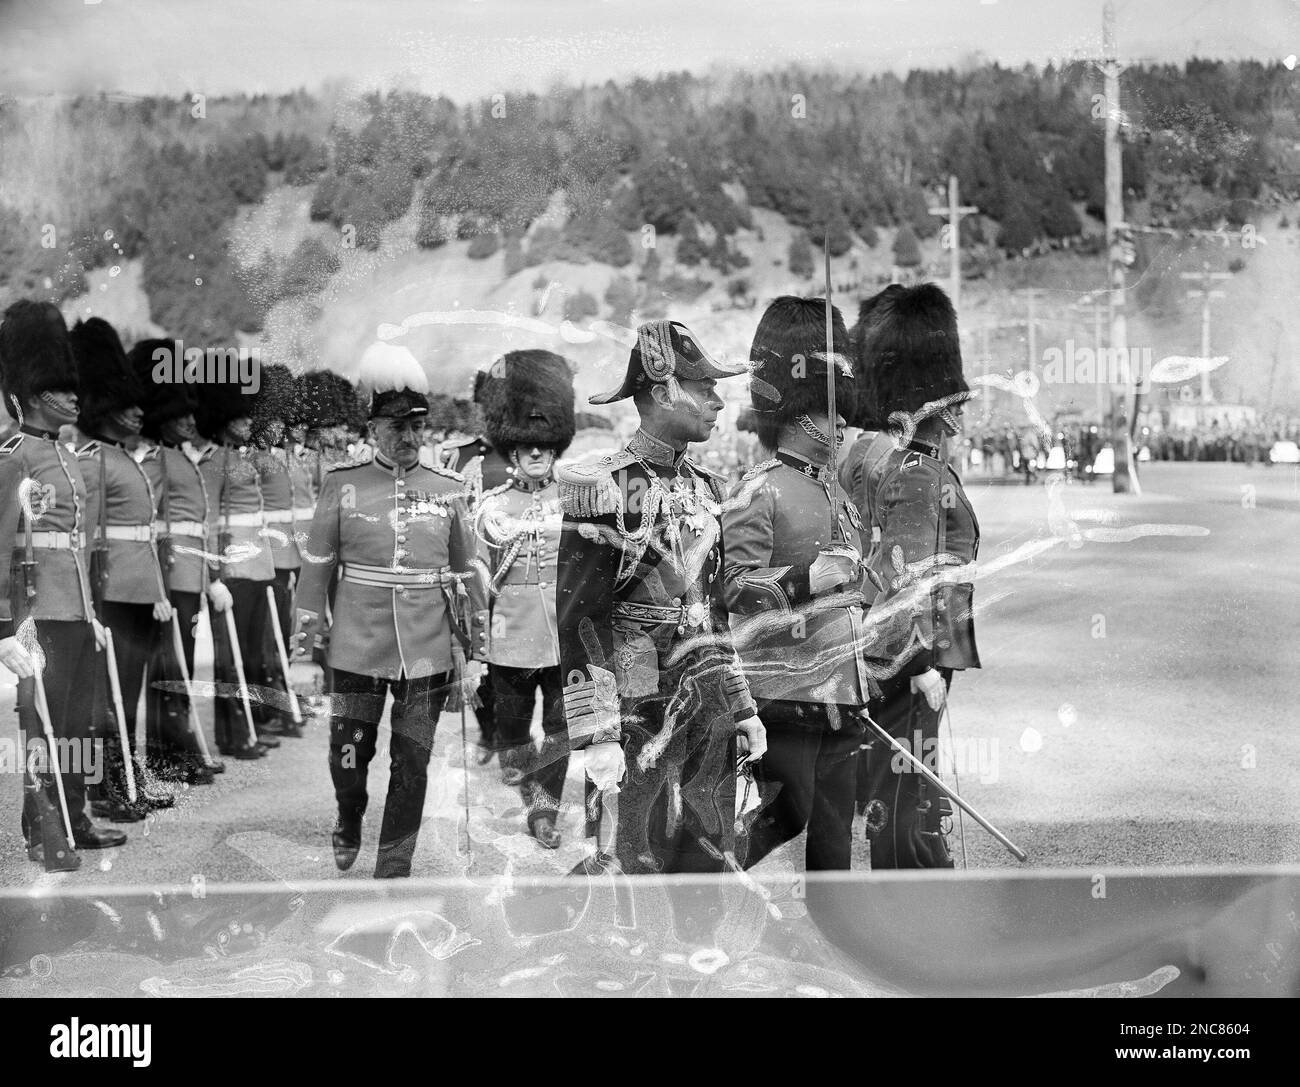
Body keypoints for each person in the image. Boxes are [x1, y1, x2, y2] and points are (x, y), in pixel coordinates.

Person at [555, 319, 766, 875]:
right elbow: (581, 620)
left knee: (707, 850)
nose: (718, 402)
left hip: (707, 703)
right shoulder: (601, 488)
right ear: (660, 391)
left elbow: (713, 610)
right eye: (703, 388)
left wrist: (742, 706)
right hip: (634, 704)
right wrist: (597, 733)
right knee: (630, 858)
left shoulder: (707, 488)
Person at [290, 343, 488, 879]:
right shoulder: (342, 484)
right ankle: (349, 813)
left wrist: (477, 653)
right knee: (348, 754)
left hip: (425, 648)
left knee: (414, 759)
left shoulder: (449, 491)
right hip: (358, 642)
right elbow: (316, 571)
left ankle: (394, 863)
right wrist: (305, 653)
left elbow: (469, 573)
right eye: (395, 425)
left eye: (416, 426)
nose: (407, 436)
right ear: (373, 427)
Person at [723, 296, 869, 872]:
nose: (842, 423)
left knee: (835, 827)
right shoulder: (759, 490)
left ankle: (836, 934)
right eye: (832, 413)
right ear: (803, 415)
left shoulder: (833, 489)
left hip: (844, 685)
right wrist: (807, 579)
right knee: (790, 813)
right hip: (786, 686)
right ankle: (706, 879)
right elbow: (735, 588)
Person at [856, 283, 981, 869]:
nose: (962, 413)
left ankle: (912, 872)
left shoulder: (918, 465)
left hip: (926, 648)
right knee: (907, 789)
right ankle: (910, 888)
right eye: (954, 403)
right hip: (915, 655)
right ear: (937, 406)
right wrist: (921, 664)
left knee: (910, 783)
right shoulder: (917, 472)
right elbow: (908, 575)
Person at [0, 300, 126, 869]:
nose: (75, 397)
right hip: (35, 616)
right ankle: (43, 830)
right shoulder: (13, 457)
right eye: (61, 387)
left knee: (77, 724)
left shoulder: (65, 456)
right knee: (40, 727)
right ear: (33, 392)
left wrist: (92, 612)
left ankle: (75, 816)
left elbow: (74, 543)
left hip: (73, 610)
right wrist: (4, 630)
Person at [70, 318, 177, 821]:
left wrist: (156, 589)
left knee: (126, 695)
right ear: (104, 406)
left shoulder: (120, 457)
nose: (139, 411)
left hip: (136, 592)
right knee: (104, 699)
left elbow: (144, 537)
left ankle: (127, 780)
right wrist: (89, 603)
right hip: (111, 593)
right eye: (127, 403)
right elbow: (89, 539)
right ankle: (104, 788)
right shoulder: (94, 460)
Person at [474, 350, 575, 849]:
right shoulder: (491, 509)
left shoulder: (578, 501)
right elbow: (476, 578)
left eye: (544, 446)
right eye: (526, 446)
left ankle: (545, 811)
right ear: (510, 451)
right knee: (513, 738)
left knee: (560, 731)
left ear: (556, 447)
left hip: (561, 633)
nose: (536, 453)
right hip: (509, 637)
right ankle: (529, 786)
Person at [129, 337, 223, 785]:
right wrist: (159, 587)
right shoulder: (158, 462)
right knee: (169, 670)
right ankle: (168, 756)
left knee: (179, 668)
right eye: (181, 413)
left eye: (191, 412)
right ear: (163, 417)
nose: (190, 420)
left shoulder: (179, 457)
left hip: (190, 575)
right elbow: (152, 525)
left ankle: (179, 748)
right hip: (171, 578)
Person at [195, 367, 277, 760]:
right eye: (240, 416)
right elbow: (208, 523)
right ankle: (232, 735)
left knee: (250, 655)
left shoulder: (242, 459)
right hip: (232, 570)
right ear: (223, 421)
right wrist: (214, 576)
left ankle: (248, 727)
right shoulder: (213, 463)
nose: (248, 422)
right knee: (230, 659)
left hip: (257, 567)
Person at [439, 367, 511, 763]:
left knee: (511, 661)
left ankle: (510, 734)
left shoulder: (523, 450)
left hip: (514, 569)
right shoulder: (458, 454)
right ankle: (489, 732)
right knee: (478, 654)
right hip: (474, 569)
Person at [250, 363, 311, 739]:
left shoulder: (290, 460)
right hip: (269, 556)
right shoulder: (254, 459)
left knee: (289, 631)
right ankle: (270, 703)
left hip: (293, 556)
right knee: (266, 636)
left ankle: (289, 693)